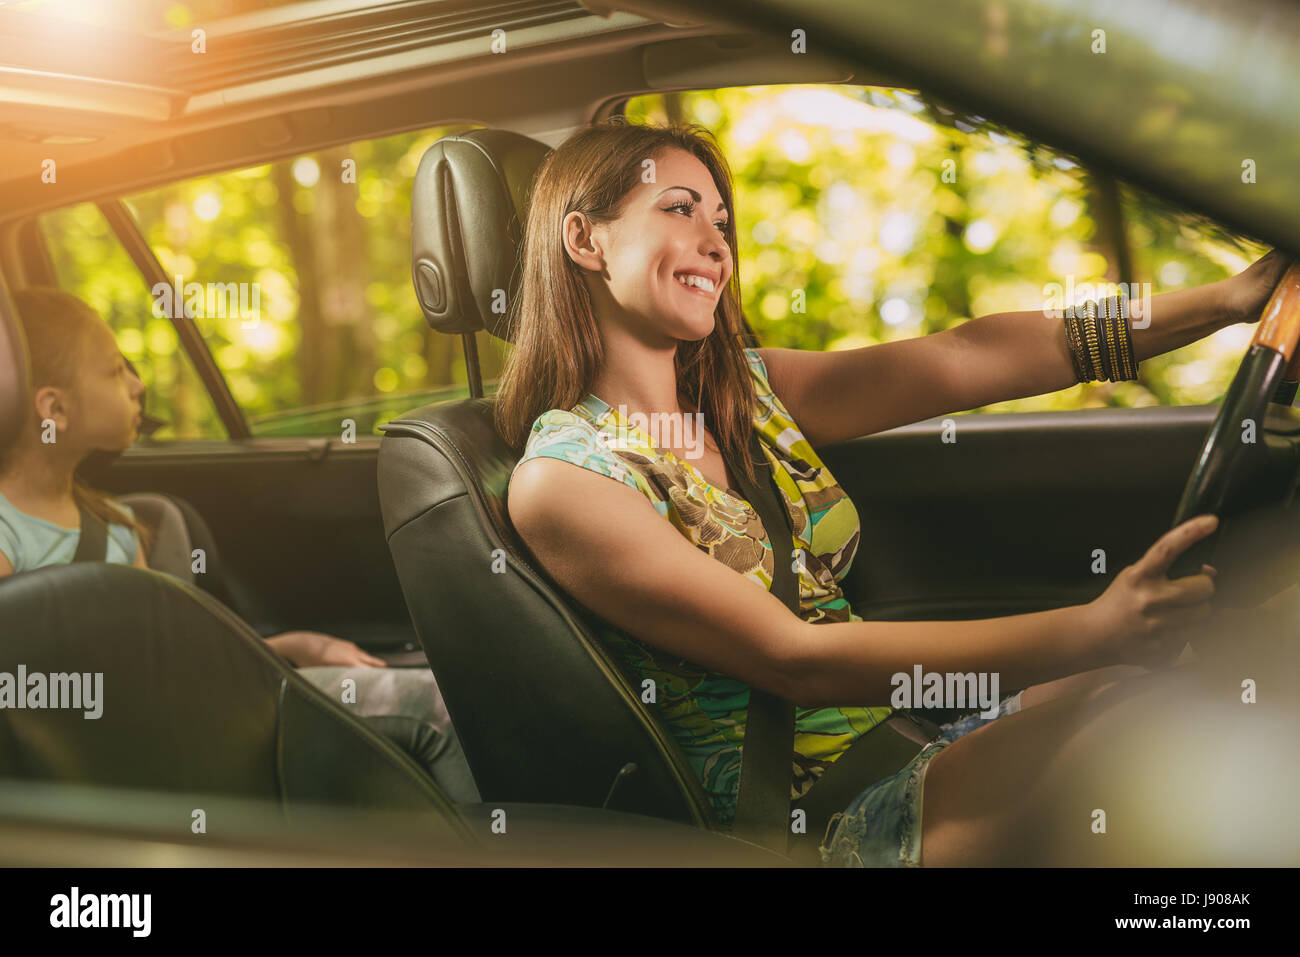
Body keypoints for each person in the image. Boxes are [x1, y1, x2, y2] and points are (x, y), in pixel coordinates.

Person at [499, 118, 1295, 866]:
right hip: (820, 816)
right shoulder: (564, 478)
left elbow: (966, 356)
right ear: (584, 238)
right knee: (1167, 740)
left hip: (914, 735)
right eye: (680, 209)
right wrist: (1095, 629)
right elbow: (797, 658)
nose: (715, 243)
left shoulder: (748, 393)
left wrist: (1228, 301)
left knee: (1211, 672)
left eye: (721, 221)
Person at [0, 287, 478, 803]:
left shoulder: (118, 525)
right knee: (437, 711)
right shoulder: (7, 535)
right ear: (55, 408)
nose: (138, 386)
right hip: (130, 753)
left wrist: (290, 648)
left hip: (187, 716)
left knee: (448, 700)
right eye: (116, 370)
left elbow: (171, 663)